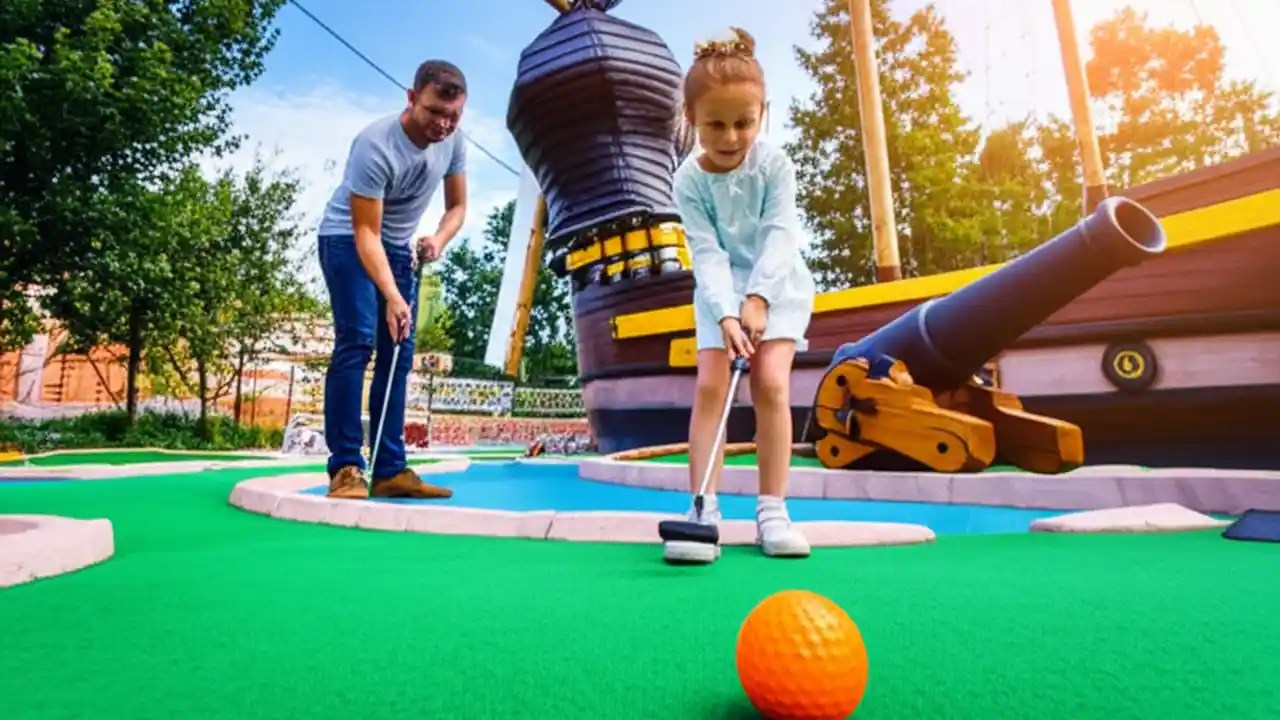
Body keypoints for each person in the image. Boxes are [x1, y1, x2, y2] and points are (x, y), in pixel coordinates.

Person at [664, 28, 817, 564]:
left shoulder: (775, 165)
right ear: (691, 119)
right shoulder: (688, 181)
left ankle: (772, 510)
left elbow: (780, 233)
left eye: (744, 122)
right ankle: (702, 510)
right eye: (715, 124)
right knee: (710, 388)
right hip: (719, 290)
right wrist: (729, 313)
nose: (731, 136)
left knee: (771, 383)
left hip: (780, 284)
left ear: (762, 113)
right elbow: (705, 252)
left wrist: (760, 299)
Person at [316, 60, 469, 500]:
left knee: (398, 354)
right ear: (411, 98)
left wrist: (438, 238)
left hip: (399, 249)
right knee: (359, 340)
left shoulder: (454, 141)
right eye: (433, 112)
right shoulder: (375, 144)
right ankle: (345, 467)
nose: (443, 124)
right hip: (347, 238)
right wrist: (391, 294)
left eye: (452, 116)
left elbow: (457, 207)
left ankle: (390, 470)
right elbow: (366, 232)